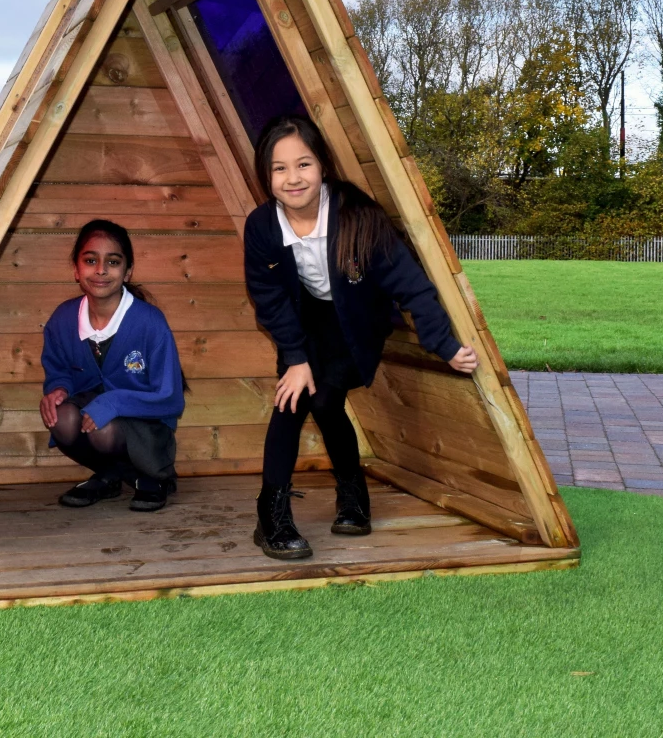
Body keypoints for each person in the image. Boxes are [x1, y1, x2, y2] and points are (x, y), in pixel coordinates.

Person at [243, 114, 479, 559]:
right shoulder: (261, 226)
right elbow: (269, 298)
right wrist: (295, 358)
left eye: (304, 164)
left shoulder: (359, 218)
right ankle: (270, 517)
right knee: (293, 398)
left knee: (327, 397)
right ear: (266, 175)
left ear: (324, 166)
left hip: (356, 320)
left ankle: (352, 493)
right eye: (279, 168)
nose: (293, 178)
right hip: (303, 320)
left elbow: (411, 284)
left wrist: (443, 345)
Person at [39, 219, 185, 512]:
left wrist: (114, 402)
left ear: (127, 271)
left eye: (113, 262)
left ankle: (151, 476)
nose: (101, 270)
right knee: (62, 418)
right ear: (76, 269)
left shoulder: (149, 322)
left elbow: (171, 399)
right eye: (91, 260)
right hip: (97, 417)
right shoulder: (63, 319)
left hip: (146, 428)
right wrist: (58, 388)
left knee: (102, 427)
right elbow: (59, 369)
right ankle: (111, 474)